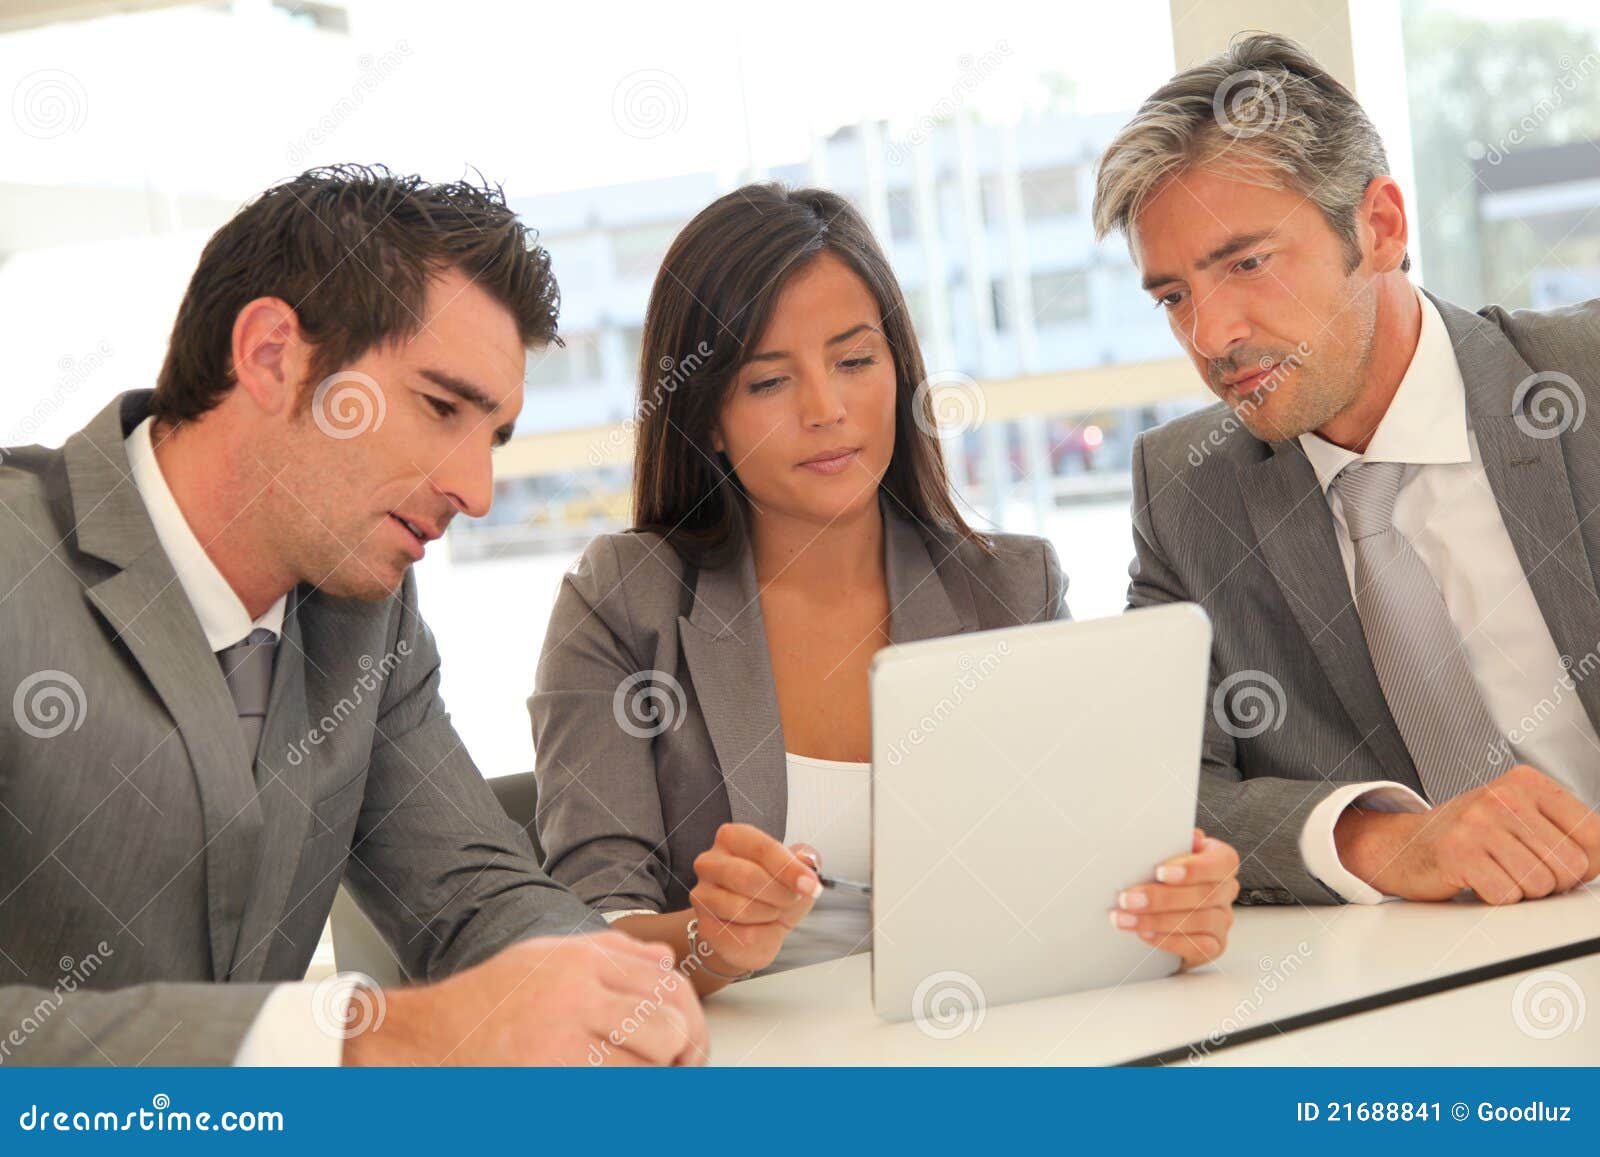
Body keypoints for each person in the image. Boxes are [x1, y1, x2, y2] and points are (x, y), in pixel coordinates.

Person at [0, 165, 705, 1066]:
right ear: (271, 357)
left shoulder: (363, 615)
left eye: (493, 437)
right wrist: (371, 1035)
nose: (476, 490)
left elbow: (472, 891)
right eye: (441, 406)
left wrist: (606, 991)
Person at [530, 183, 1241, 996]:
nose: (826, 408)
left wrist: (1168, 911)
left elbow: (1083, 872)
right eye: (768, 381)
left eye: (855, 361)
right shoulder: (623, 603)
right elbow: (589, 925)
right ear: (708, 417)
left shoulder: (1013, 591)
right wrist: (707, 943)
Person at [1091, 33, 1600, 906]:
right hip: (1416, 971)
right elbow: (1155, 793)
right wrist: (1379, 838)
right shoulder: (1187, 492)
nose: (1211, 336)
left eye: (1247, 263)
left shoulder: (1581, 381)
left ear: (1381, 228)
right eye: (1174, 296)